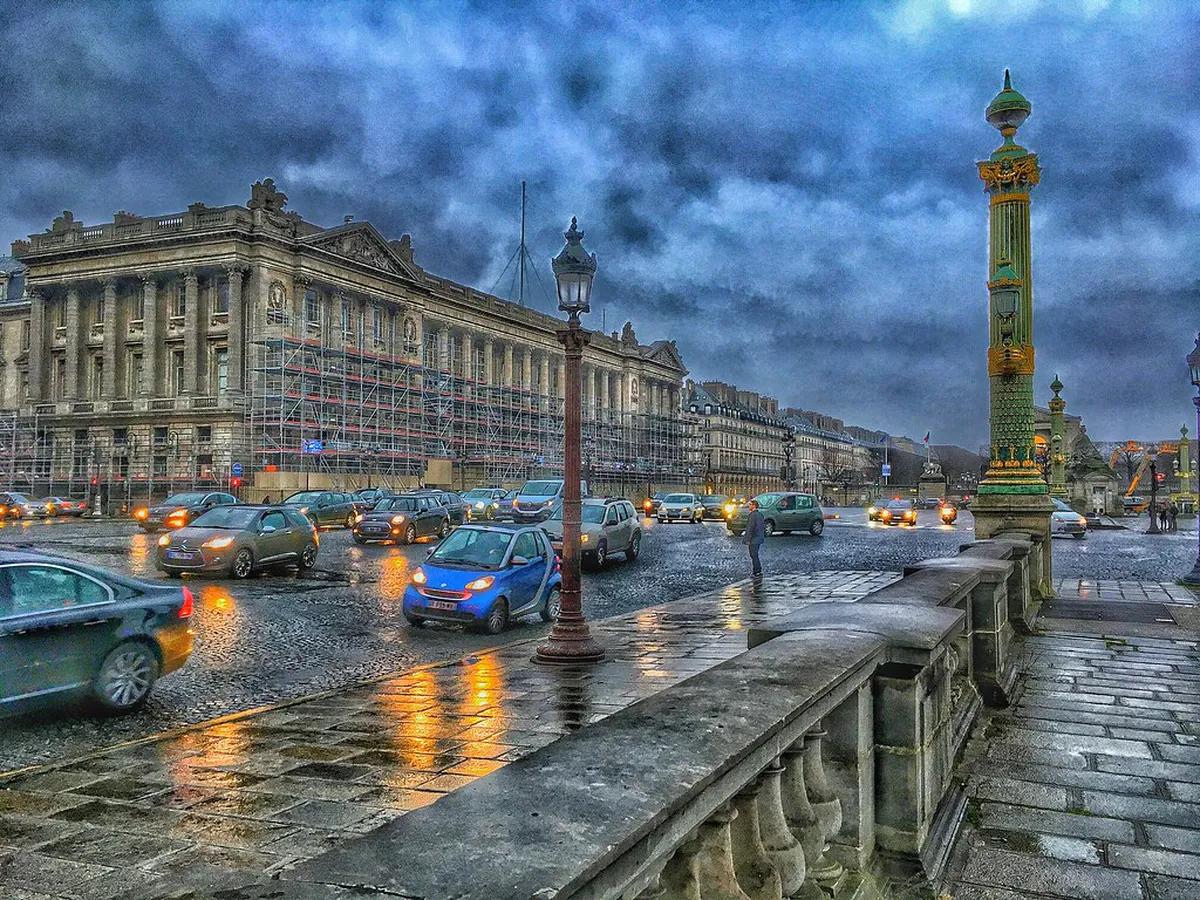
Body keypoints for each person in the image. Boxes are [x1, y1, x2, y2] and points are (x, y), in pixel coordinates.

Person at [744, 498, 765, 580]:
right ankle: (757, 570)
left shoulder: (752, 515)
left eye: (750, 504)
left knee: (753, 555)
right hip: (759, 537)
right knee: (755, 555)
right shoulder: (760, 514)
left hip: (754, 539)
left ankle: (756, 571)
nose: (749, 506)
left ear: (754, 506)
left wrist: (747, 539)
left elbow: (750, 528)